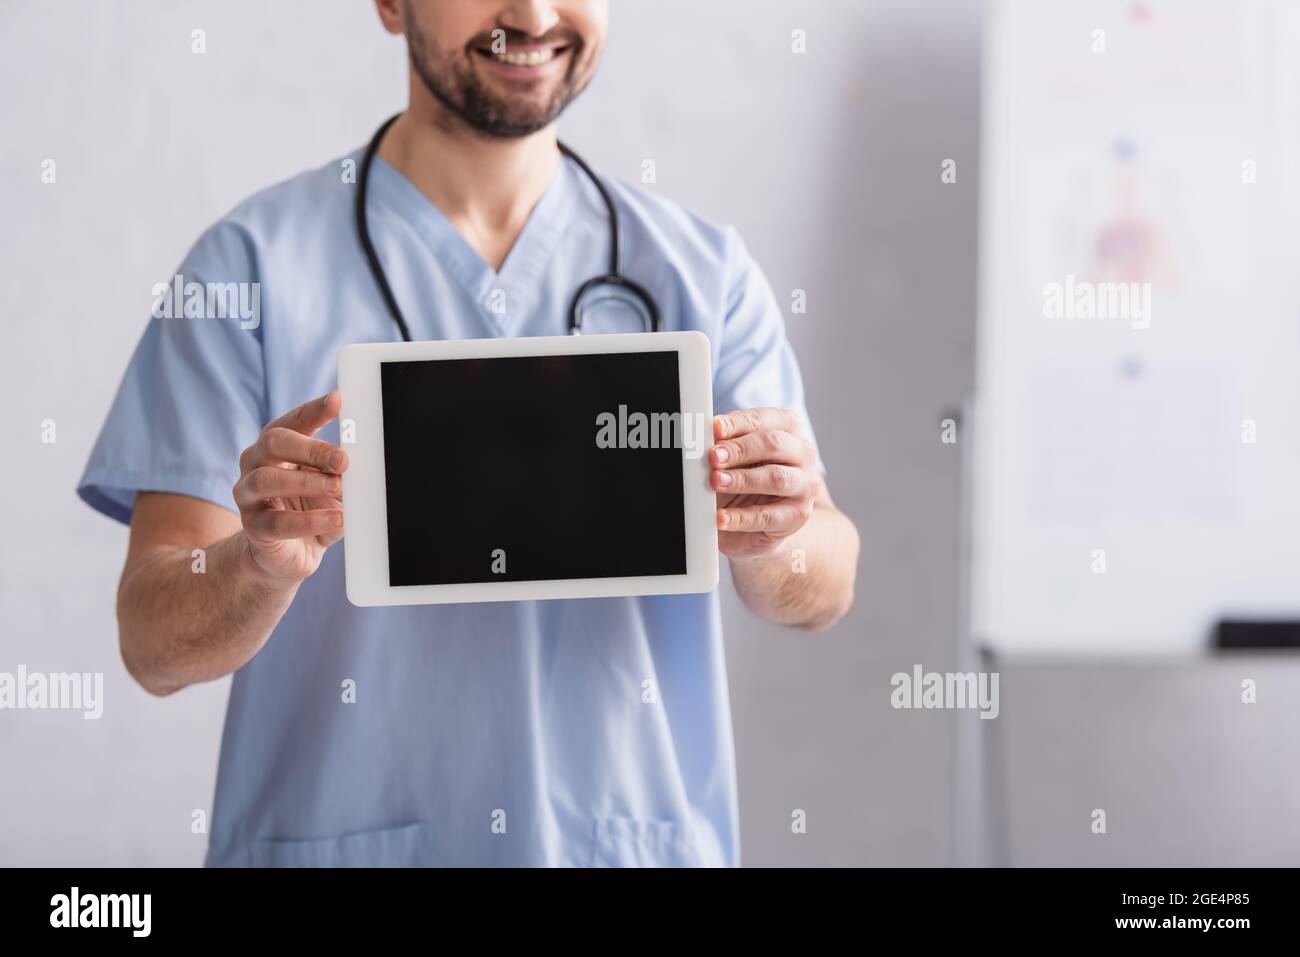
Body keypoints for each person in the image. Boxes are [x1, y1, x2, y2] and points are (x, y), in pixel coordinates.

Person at [77, 0, 859, 867]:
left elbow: (824, 581)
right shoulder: (248, 269)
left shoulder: (702, 272)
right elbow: (152, 642)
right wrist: (256, 565)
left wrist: (773, 531)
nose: (529, 13)